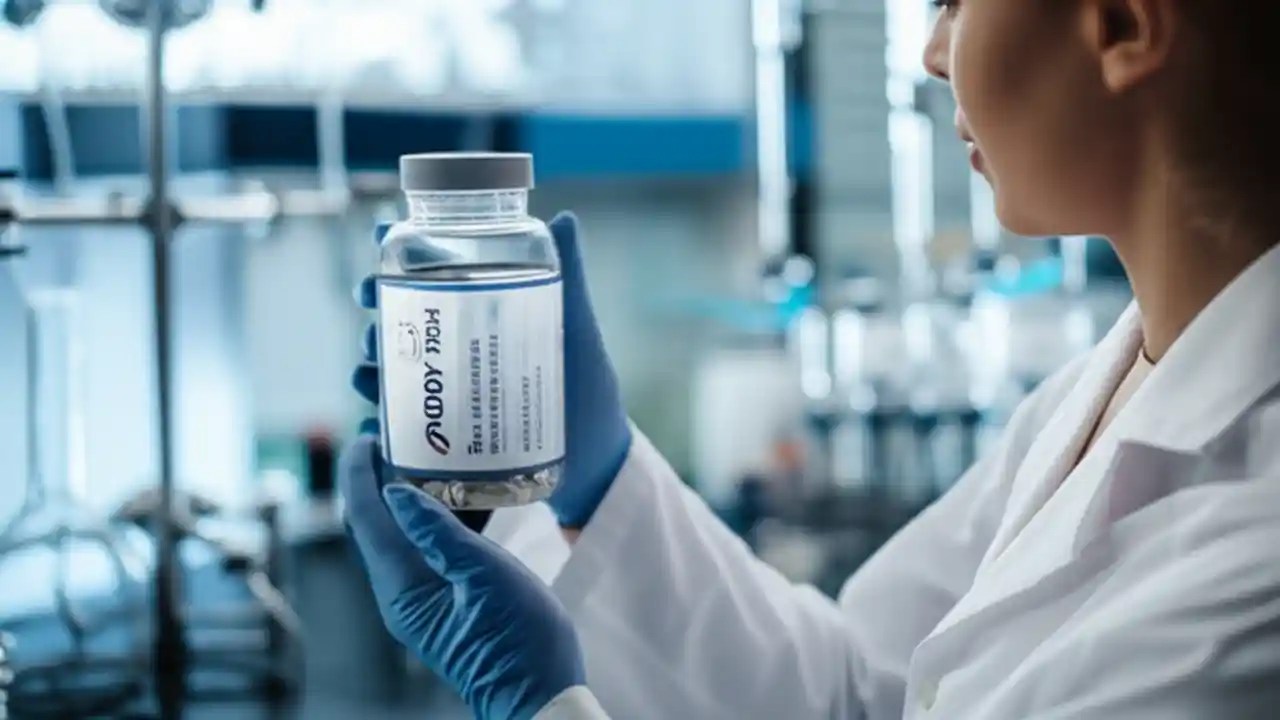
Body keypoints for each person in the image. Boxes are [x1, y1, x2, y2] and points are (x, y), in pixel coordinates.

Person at [340, 0, 1280, 717]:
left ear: (1121, 24)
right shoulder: (1099, 390)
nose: (932, 53)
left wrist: (545, 704)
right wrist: (598, 483)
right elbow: (859, 694)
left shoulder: (1255, 555)